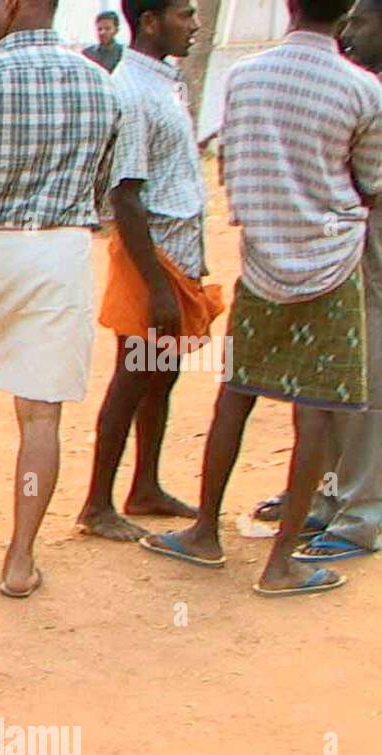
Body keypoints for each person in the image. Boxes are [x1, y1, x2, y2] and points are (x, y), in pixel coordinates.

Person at [141, 0, 382, 596]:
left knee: (237, 394)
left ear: (289, 7)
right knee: (318, 409)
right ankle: (281, 564)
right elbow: (373, 185)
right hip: (333, 266)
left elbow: (231, 167)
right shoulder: (364, 91)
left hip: (262, 261)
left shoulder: (245, 76)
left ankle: (204, 532)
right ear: (345, 11)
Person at [0, 0, 119, 597]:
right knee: (41, 414)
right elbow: (102, 184)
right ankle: (20, 557)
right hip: (61, 252)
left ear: (11, 6)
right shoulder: (99, 82)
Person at [77, 0, 222, 541]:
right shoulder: (132, 91)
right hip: (151, 260)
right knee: (132, 377)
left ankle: (146, 486)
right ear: (153, 20)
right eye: (185, 14)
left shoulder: (166, 82)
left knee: (162, 377)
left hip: (177, 257)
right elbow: (126, 195)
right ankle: (96, 504)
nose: (195, 23)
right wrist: (158, 286)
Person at [286, 0, 382, 564]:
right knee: (329, 377)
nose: (348, 31)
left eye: (361, 21)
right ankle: (322, 498)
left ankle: (361, 514)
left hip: (371, 254)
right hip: (343, 253)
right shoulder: (358, 85)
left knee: (369, 382)